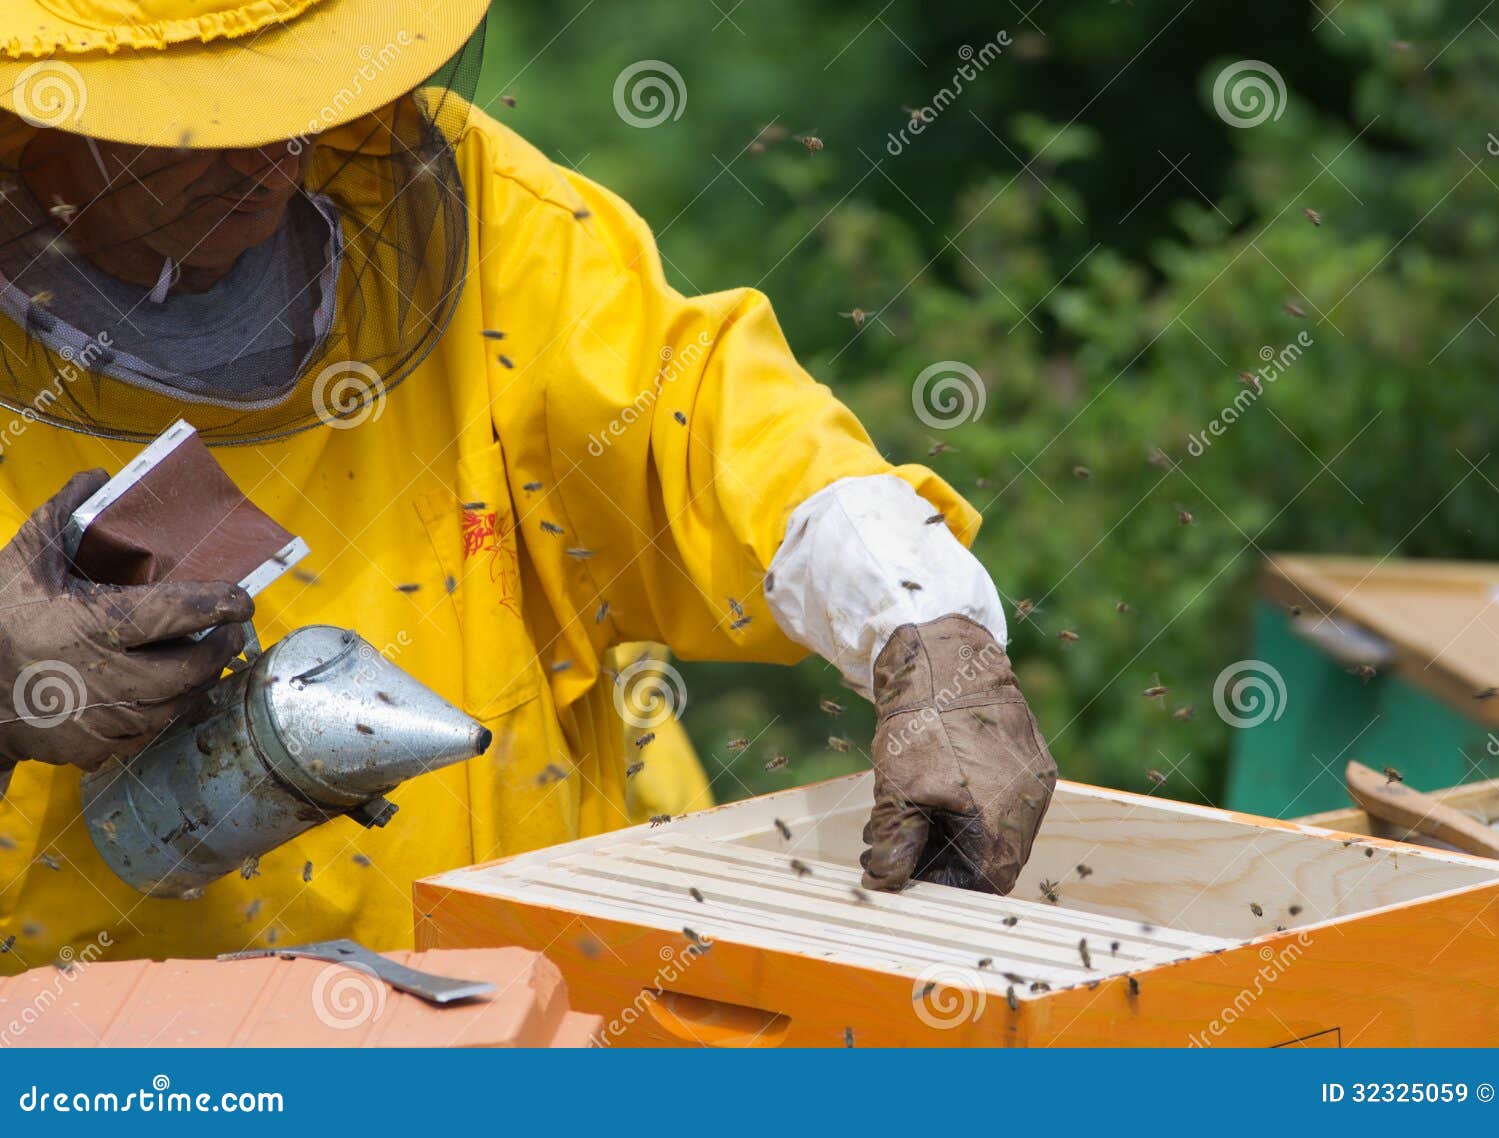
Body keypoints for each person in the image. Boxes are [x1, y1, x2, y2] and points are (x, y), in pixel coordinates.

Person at [0, 0, 1055, 965]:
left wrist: (928, 633)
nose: (276, 154)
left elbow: (714, 420)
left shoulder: (448, 195)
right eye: (206, 118)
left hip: (543, 983)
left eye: (294, 93)